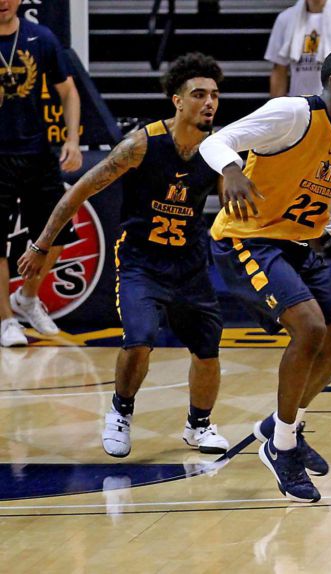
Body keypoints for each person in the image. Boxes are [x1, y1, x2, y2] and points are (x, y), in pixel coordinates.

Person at [199, 47, 331, 503]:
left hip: (296, 244)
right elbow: (216, 141)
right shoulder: (290, 113)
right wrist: (231, 169)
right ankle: (282, 445)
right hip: (246, 239)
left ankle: (280, 425)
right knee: (308, 329)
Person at [19, 52, 230, 457]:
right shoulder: (140, 145)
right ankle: (120, 412)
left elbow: (234, 212)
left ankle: (198, 425)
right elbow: (78, 192)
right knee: (139, 341)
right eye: (199, 94)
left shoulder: (218, 152)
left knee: (207, 349)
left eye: (215, 96)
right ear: (178, 101)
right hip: (142, 262)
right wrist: (41, 244)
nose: (209, 103)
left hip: (190, 264)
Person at [265, 0, 331, 308]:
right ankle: (315, 272)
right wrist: (275, 117)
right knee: (303, 200)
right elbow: (279, 71)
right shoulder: (286, 19)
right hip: (300, 122)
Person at [0, 0, 82, 346]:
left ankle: (27, 298)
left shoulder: (41, 37)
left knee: (57, 231)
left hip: (36, 151)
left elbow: (69, 92)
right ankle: (5, 321)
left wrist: (73, 139)